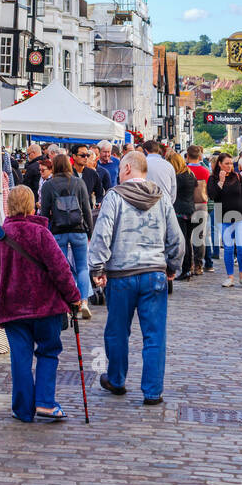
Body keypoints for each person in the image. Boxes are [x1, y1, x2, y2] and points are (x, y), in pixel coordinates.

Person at [90, 150, 182, 405]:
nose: (118, 173)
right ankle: (152, 391)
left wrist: (97, 268)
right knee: (154, 335)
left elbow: (102, 235)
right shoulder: (161, 198)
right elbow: (176, 238)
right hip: (153, 273)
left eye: (120, 169)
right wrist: (173, 264)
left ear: (128, 169)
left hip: (121, 275)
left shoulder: (115, 197)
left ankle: (117, 379)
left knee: (117, 331)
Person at [0, 184, 81, 422]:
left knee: (20, 359)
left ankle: (23, 409)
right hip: (45, 307)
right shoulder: (40, 234)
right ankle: (45, 402)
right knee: (48, 351)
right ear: (31, 204)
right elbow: (61, 270)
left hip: (13, 309)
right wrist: (74, 297)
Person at [39, 152, 94, 319]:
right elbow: (87, 209)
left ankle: (67, 303)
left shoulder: (48, 185)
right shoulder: (79, 183)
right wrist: (89, 231)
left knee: (61, 269)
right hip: (78, 230)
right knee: (83, 267)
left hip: (58, 231)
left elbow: (44, 212)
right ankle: (84, 301)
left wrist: (44, 234)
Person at [207, 153, 242, 288]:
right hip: (223, 217)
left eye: (231, 163)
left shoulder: (237, 177)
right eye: (226, 163)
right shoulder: (213, 178)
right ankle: (230, 276)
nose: (229, 166)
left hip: (240, 216)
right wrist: (220, 182)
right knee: (228, 248)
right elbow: (213, 196)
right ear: (220, 164)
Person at [169, 151, 198, 281]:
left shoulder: (178, 177)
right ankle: (188, 268)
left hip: (179, 211)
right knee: (187, 241)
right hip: (191, 210)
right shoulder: (190, 174)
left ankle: (185, 269)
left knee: (182, 241)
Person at [186, 145, 212, 272]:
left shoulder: (184, 170)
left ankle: (189, 264)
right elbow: (209, 190)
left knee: (187, 236)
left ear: (188, 156)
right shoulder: (205, 171)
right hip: (201, 204)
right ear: (200, 156)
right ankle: (198, 265)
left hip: (187, 204)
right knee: (199, 236)